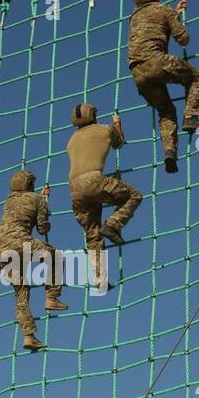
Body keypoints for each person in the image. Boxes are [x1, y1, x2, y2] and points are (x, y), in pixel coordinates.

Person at [127, 0, 199, 173]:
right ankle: (191, 117)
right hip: (157, 62)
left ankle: (169, 151)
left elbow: (152, 26)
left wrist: (173, 14)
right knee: (195, 76)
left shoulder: (134, 17)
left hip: (137, 73)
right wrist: (175, 17)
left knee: (166, 110)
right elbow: (184, 39)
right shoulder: (163, 9)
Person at [66, 103, 142, 285]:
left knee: (92, 232)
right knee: (134, 195)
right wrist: (117, 125)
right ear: (92, 115)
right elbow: (119, 143)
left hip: (75, 189)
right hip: (95, 181)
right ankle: (113, 224)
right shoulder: (104, 130)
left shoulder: (71, 139)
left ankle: (99, 278)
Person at [0, 170, 67, 351]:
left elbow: (22, 210)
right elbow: (42, 229)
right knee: (55, 255)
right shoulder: (37, 199)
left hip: (3, 248)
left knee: (21, 294)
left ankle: (28, 336)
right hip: (22, 242)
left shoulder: (8, 200)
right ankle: (52, 296)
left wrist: (39, 199)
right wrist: (43, 202)